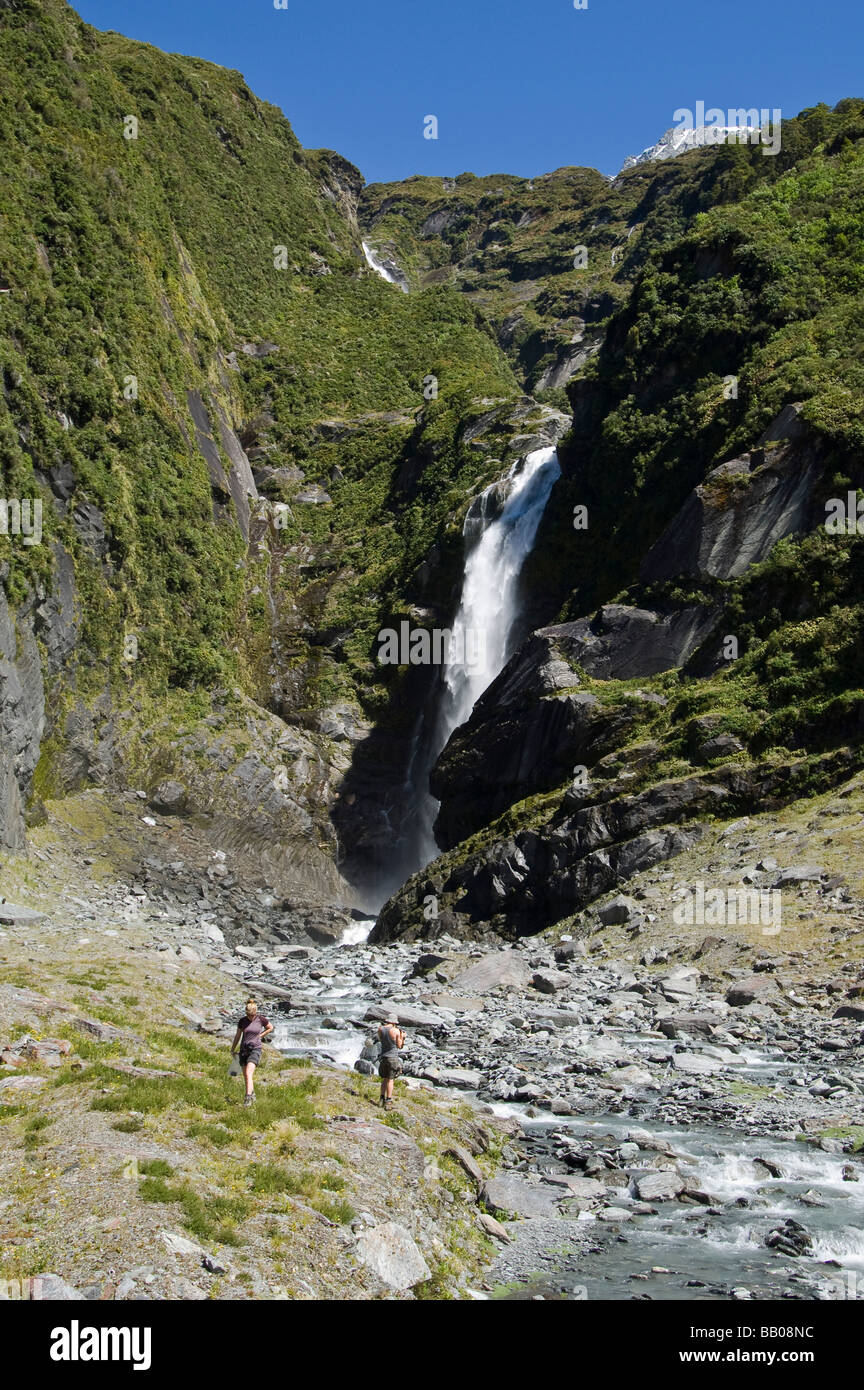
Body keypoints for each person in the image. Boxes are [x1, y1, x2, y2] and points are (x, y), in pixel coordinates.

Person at [231, 997, 273, 1106]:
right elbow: (238, 1036)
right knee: (246, 1075)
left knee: (249, 1073)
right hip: (244, 1050)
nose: (250, 1017)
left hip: (255, 1049)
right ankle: (252, 1094)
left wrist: (261, 1035)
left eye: (252, 1015)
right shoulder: (242, 1021)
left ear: (255, 1012)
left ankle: (247, 1098)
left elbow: (270, 1027)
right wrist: (232, 1049)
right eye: (248, 1015)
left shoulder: (260, 1019)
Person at [377, 1019, 405, 1110]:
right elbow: (399, 1046)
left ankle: (381, 1098)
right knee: (390, 1080)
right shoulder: (396, 1031)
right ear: (394, 1023)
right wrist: (402, 1037)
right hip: (392, 1057)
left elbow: (381, 1039)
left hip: (383, 1057)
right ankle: (388, 1100)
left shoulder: (380, 1029)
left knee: (384, 1079)